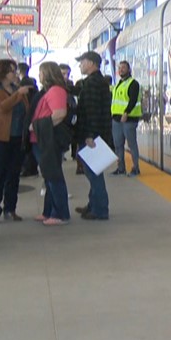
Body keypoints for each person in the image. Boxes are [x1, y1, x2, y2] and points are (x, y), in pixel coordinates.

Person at [30, 62, 72, 226]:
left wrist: (37, 126)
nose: (39, 76)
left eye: (41, 73)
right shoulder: (48, 91)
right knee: (48, 177)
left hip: (48, 140)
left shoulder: (56, 91)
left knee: (54, 177)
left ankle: (61, 214)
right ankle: (49, 211)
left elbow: (59, 114)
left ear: (47, 74)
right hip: (41, 139)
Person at [74, 51, 113, 221]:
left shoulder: (92, 84)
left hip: (92, 136)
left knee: (94, 174)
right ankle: (93, 204)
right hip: (97, 133)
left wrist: (90, 135)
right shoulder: (98, 81)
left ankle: (100, 210)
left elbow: (92, 111)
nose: (80, 65)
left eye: (82, 62)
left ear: (91, 63)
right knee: (93, 173)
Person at [0, 59, 31, 222]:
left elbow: (26, 110)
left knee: (14, 174)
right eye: (11, 71)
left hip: (18, 137)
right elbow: (2, 107)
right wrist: (18, 95)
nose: (15, 74)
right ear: (2, 72)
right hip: (1, 138)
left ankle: (10, 209)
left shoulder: (18, 89)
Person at [110, 60, 142, 176]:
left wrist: (126, 113)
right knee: (118, 144)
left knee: (131, 144)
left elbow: (133, 100)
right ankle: (121, 168)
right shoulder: (118, 85)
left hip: (129, 119)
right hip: (116, 119)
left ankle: (135, 168)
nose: (121, 69)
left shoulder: (133, 83)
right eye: (119, 68)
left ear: (129, 69)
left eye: (123, 67)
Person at [18, 62, 39, 177]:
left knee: (26, 143)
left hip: (26, 116)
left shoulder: (22, 84)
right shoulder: (32, 82)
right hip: (32, 114)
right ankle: (32, 167)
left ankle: (29, 168)